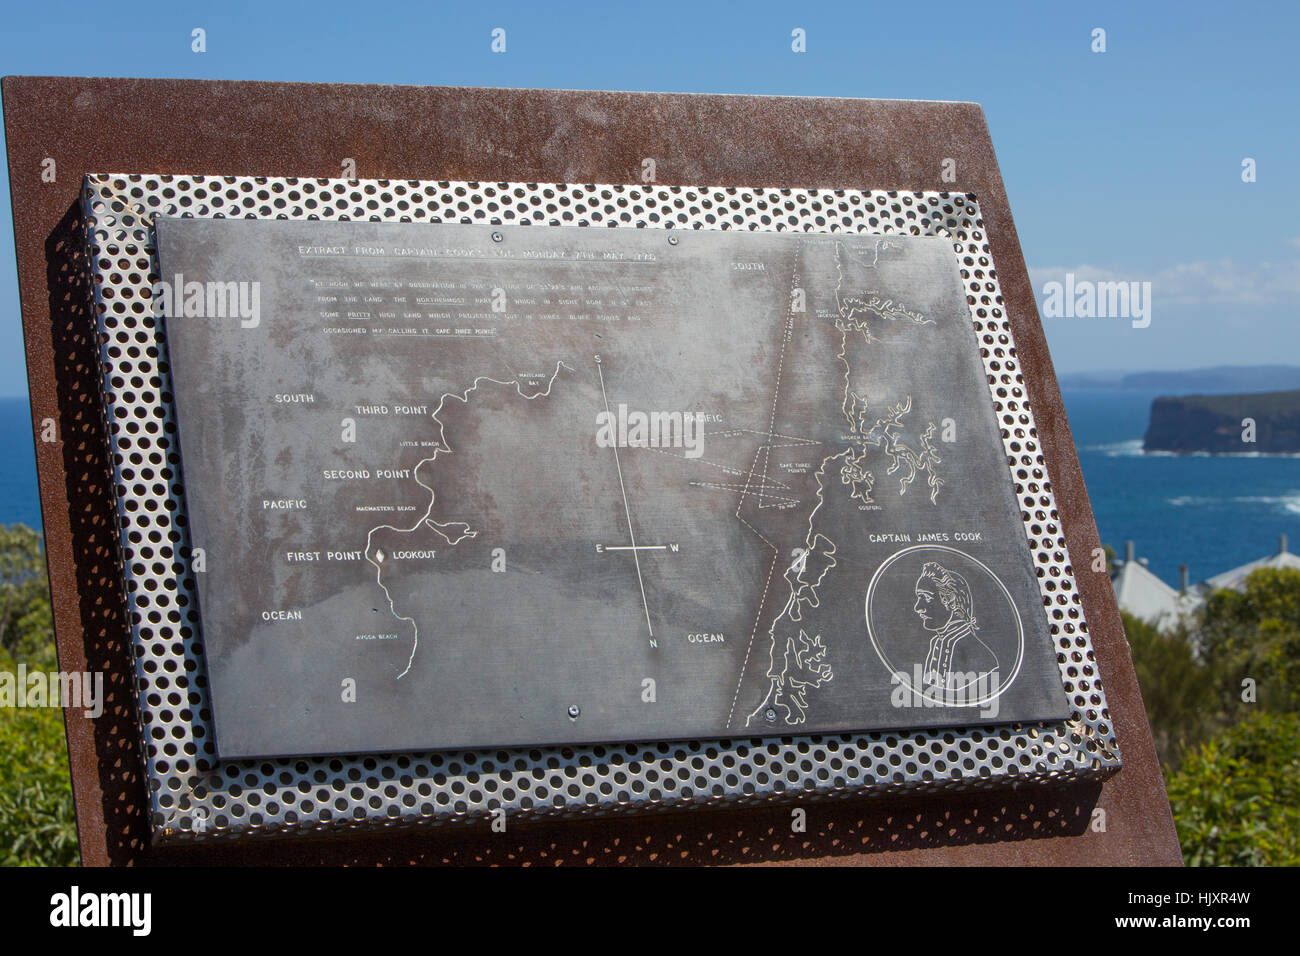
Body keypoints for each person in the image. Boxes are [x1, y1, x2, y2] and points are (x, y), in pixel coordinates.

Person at [912, 561, 999, 698]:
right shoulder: (937, 642)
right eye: (919, 598)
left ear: (950, 600)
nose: (917, 608)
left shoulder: (981, 656)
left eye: (926, 597)